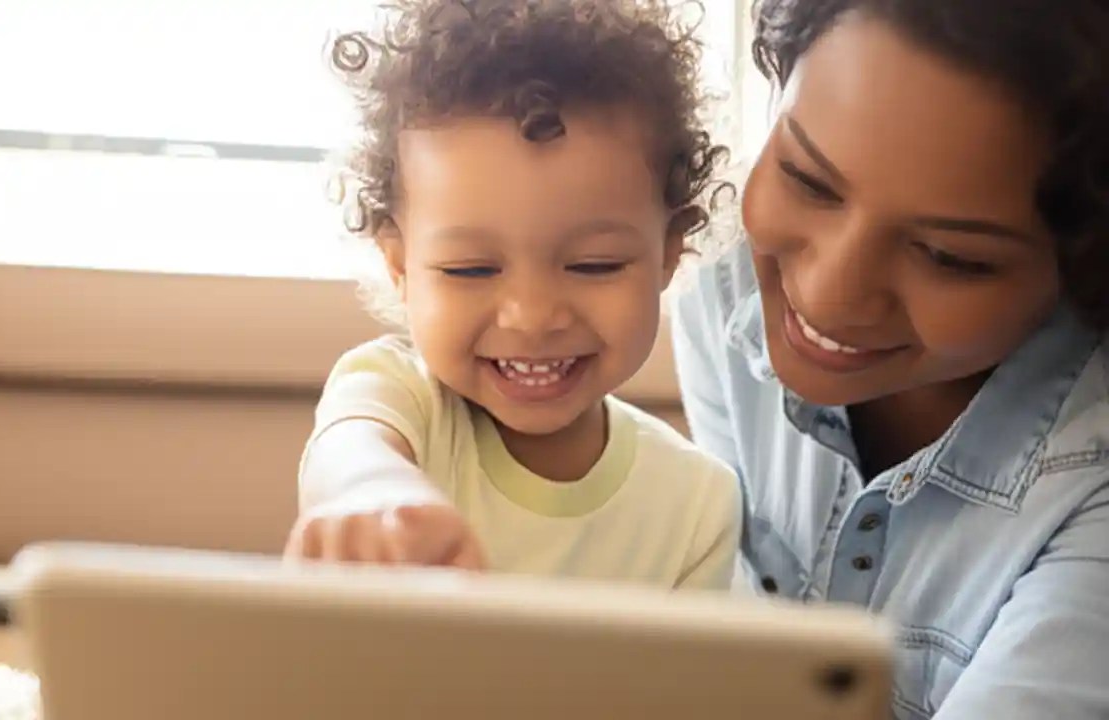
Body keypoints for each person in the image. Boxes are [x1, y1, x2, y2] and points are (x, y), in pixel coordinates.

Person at [673, 0, 1109, 717]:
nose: (826, 294)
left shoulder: (1088, 493)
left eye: (948, 256)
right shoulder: (724, 307)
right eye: (807, 180)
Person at [283, 0, 741, 590]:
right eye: (471, 269)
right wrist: (376, 496)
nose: (531, 317)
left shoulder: (697, 506)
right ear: (399, 264)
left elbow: (682, 684)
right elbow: (347, 455)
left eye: (593, 264)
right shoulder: (400, 400)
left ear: (670, 253)